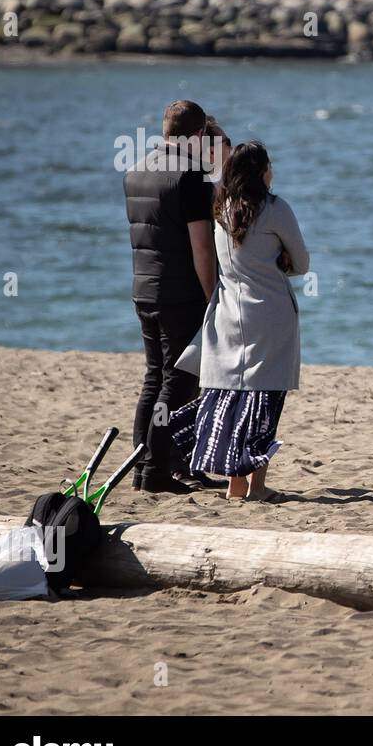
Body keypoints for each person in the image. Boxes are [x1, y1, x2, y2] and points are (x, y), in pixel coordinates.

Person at [171, 142, 309, 503]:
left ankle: (235, 484)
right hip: (270, 313)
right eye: (269, 166)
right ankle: (257, 486)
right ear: (262, 171)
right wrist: (279, 262)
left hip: (229, 312)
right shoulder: (276, 209)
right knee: (265, 401)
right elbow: (303, 262)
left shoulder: (222, 209)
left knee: (232, 399)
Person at [124, 100, 217, 494]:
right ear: (197, 135)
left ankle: (143, 466)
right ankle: (158, 470)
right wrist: (213, 295)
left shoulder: (136, 170)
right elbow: (201, 247)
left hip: (143, 288)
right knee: (177, 381)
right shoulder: (192, 175)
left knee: (153, 378)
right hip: (180, 292)